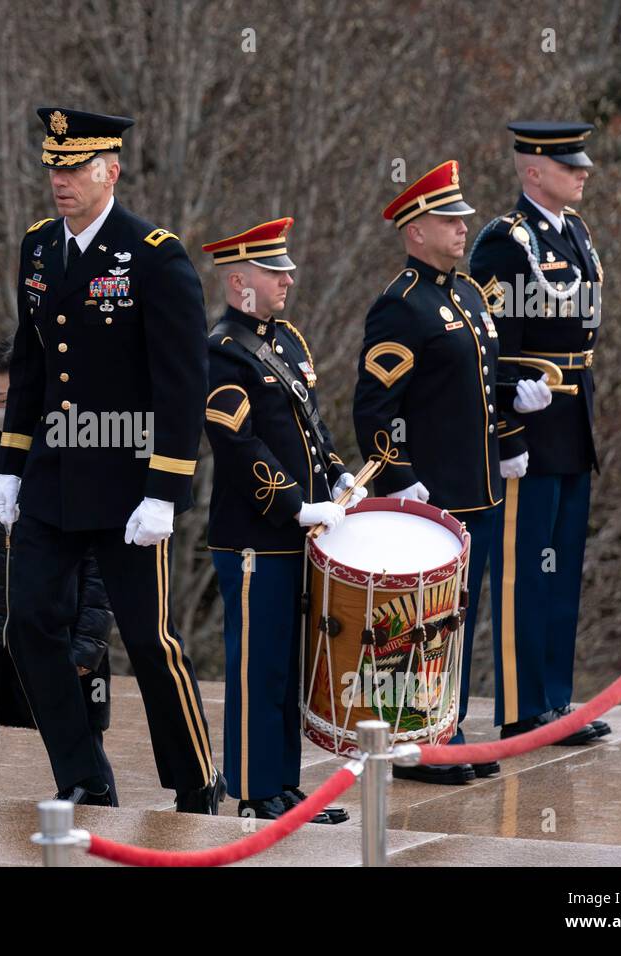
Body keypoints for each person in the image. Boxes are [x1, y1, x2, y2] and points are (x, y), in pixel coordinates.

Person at [0, 107, 224, 812]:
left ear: (110, 171)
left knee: (149, 642)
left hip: (128, 486)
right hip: (54, 478)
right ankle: (84, 775)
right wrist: (9, 465)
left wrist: (165, 488)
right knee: (27, 623)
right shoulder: (37, 247)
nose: (60, 182)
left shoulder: (153, 253)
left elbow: (183, 382)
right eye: (53, 168)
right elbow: (30, 362)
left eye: (75, 168)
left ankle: (196, 782)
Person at [352, 161, 551, 785]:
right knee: (426, 623)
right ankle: (420, 742)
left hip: (481, 488)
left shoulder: (465, 293)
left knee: (461, 618)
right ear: (416, 231)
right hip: (433, 494)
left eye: (463, 218)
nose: (463, 228)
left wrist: (514, 394)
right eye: (449, 220)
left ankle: (452, 727)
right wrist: (398, 475)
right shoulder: (400, 307)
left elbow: (477, 380)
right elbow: (373, 404)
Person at [201, 216, 362, 822]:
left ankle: (282, 784)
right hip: (255, 537)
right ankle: (252, 788)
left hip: (299, 534)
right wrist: (295, 502)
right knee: (256, 665)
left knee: (286, 667)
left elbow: (311, 427)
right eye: (276, 271)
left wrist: (338, 473)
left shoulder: (286, 340)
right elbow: (238, 444)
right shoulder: (224, 351)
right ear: (241, 280)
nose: (288, 278)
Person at [467, 121, 609, 745]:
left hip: (572, 423)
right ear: (533, 171)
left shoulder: (574, 233)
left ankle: (557, 699)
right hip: (529, 428)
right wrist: (507, 433)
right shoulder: (506, 243)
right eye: (569, 165)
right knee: (523, 573)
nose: (582, 173)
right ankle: (523, 708)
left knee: (562, 568)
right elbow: (492, 349)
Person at [0, 339, 118, 799]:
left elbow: (98, 561)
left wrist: (89, 641)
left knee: (81, 744)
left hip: (63, 621)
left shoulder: (75, 447)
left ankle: (100, 813)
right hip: (1, 617)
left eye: (4, 399)